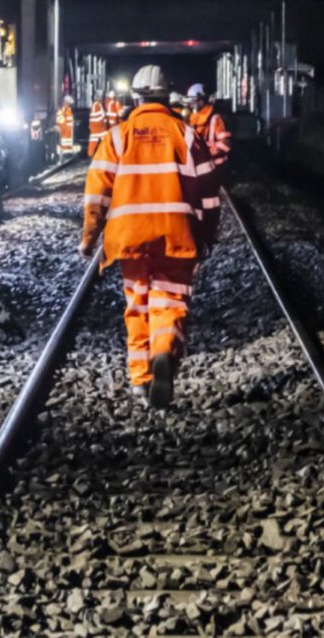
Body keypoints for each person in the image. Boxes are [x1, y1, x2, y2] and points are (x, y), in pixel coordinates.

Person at [80, 65, 221, 408]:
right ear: (166, 95)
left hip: (129, 239)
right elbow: (209, 191)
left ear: (137, 96)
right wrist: (207, 234)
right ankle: (163, 354)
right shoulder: (185, 134)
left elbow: (97, 192)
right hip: (177, 235)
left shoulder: (117, 136)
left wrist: (89, 238)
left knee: (137, 304)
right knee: (170, 303)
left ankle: (141, 381)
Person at [186, 83, 232, 169]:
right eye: (190, 100)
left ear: (202, 99)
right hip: (200, 168)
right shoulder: (191, 119)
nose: (191, 103)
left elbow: (225, 145)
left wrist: (203, 153)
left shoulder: (216, 119)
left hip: (216, 169)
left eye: (193, 99)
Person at [87, 91, 108, 157]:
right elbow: (99, 116)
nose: (102, 98)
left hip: (96, 126)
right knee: (105, 139)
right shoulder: (97, 105)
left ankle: (91, 154)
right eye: (101, 97)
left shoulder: (96, 104)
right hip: (98, 127)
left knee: (94, 141)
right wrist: (104, 118)